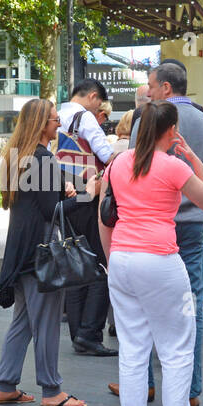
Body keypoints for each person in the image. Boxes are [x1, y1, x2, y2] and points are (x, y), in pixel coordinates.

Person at [99, 101, 203, 406]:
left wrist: (113, 260)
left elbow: (104, 215)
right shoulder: (173, 166)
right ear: (172, 130)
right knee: (177, 350)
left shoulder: (119, 163)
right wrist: (194, 158)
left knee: (133, 350)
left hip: (122, 259)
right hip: (161, 261)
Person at [120, 61, 203, 406]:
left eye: (152, 86)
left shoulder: (145, 120)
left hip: (147, 232)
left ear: (167, 88)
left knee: (144, 310)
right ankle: (191, 388)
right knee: (191, 306)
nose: (149, 92)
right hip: (192, 228)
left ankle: (148, 386)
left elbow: (130, 170)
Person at [0, 99, 97, 406]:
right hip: (43, 254)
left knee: (23, 321)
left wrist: (60, 191)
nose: (59, 125)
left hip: (20, 251)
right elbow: (52, 212)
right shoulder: (43, 160)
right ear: (41, 125)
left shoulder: (15, 158)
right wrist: (85, 194)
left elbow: (32, 205)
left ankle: (6, 384)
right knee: (47, 322)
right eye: (54, 120)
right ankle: (52, 391)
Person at [58, 78, 115, 357]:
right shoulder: (85, 118)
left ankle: (78, 332)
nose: (98, 109)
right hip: (87, 192)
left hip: (61, 193)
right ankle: (90, 333)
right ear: (92, 97)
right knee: (101, 263)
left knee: (76, 259)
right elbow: (106, 154)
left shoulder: (56, 115)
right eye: (99, 104)